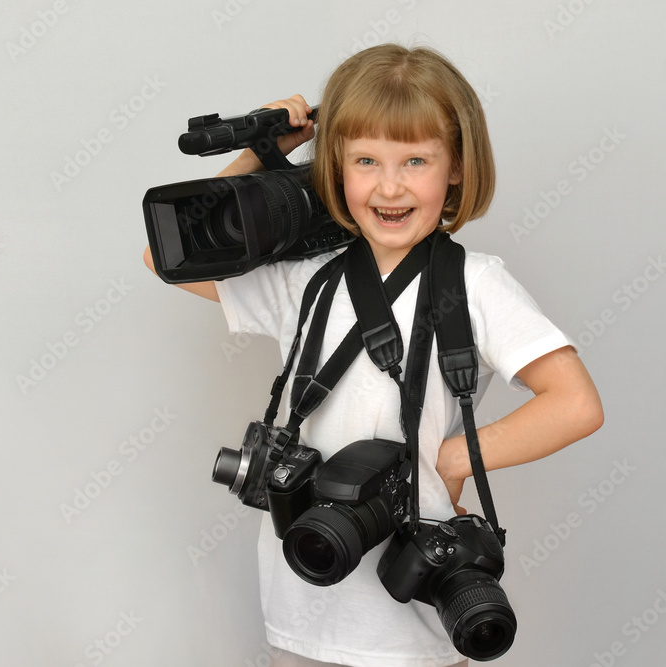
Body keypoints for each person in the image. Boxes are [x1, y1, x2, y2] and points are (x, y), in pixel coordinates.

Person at [143, 44, 603, 667]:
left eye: (416, 159)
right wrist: (263, 150)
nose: (389, 185)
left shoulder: (476, 283)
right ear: (333, 167)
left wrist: (455, 458)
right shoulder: (306, 279)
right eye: (365, 160)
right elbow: (165, 256)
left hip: (409, 623)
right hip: (300, 602)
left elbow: (575, 403)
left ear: (458, 169)